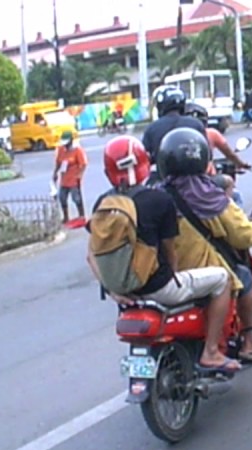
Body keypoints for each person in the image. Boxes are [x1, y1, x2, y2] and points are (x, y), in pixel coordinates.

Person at [86, 135, 237, 374]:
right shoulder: (159, 199)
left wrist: (114, 290)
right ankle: (210, 352)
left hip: (125, 294)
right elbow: (170, 252)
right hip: (159, 289)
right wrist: (173, 275)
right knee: (222, 279)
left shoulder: (102, 204)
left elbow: (91, 256)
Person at [158, 128, 252, 364]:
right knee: (244, 277)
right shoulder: (209, 196)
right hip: (201, 271)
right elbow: (241, 236)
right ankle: (247, 344)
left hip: (164, 273)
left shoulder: (156, 195)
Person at [141, 85, 206, 171]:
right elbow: (207, 156)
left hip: (163, 179)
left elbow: (145, 159)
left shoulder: (152, 128)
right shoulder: (197, 124)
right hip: (196, 180)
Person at [52, 130, 88, 225]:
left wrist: (79, 175)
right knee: (62, 198)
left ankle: (82, 216)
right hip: (64, 179)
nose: (65, 145)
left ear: (71, 141)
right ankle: (66, 217)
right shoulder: (60, 150)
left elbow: (83, 164)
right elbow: (58, 163)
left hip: (74, 179)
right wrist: (55, 173)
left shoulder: (77, 150)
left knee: (76, 198)